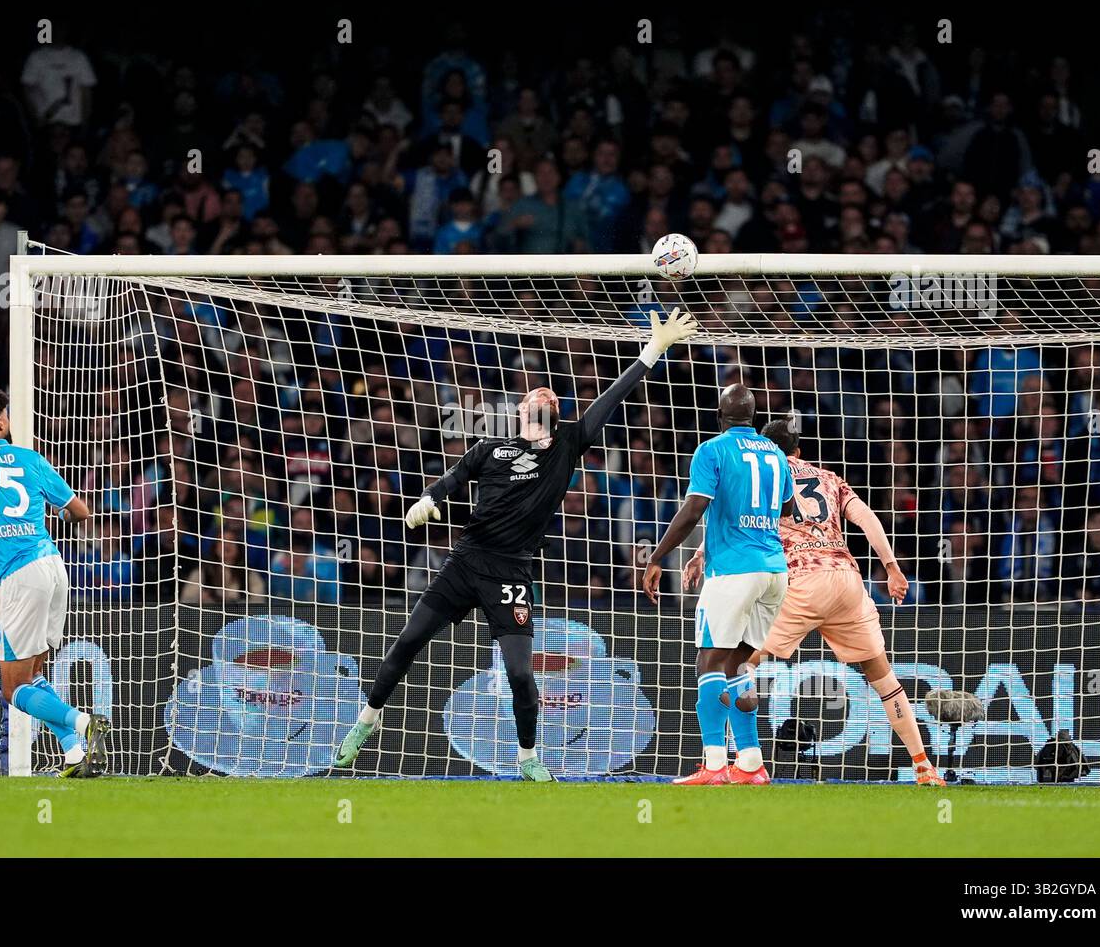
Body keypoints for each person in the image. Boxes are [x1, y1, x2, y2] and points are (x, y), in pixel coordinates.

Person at [335, 309, 698, 781]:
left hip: (511, 574)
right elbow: (453, 478)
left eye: (550, 394)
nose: (541, 396)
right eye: (533, 394)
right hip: (466, 561)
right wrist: (428, 498)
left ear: (556, 412)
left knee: (522, 675)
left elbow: (614, 396)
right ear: (522, 410)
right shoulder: (490, 449)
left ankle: (527, 757)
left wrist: (653, 349)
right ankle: (368, 719)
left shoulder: (569, 443)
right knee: (408, 641)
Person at [686, 419, 945, 786]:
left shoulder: (770, 473)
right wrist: (891, 568)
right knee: (883, 678)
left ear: (766, 448)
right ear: (799, 450)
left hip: (801, 581)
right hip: (847, 581)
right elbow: (867, 519)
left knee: (736, 664)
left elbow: (746, 523)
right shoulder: (831, 478)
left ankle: (741, 762)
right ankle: (923, 767)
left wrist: (700, 554)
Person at [0, 387, 108, 777]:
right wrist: (40, 513)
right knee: (33, 676)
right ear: (1, 421)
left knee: (12, 690)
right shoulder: (29, 459)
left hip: (18, 578)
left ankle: (83, 723)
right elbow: (80, 512)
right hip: (53, 567)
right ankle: (75, 752)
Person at [641, 384, 795, 785]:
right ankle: (750, 764)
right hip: (774, 571)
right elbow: (788, 509)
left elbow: (694, 508)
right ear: (754, 415)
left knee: (708, 662)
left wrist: (657, 557)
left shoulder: (712, 450)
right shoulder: (776, 453)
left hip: (733, 571)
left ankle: (712, 764)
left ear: (720, 415)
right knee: (739, 666)